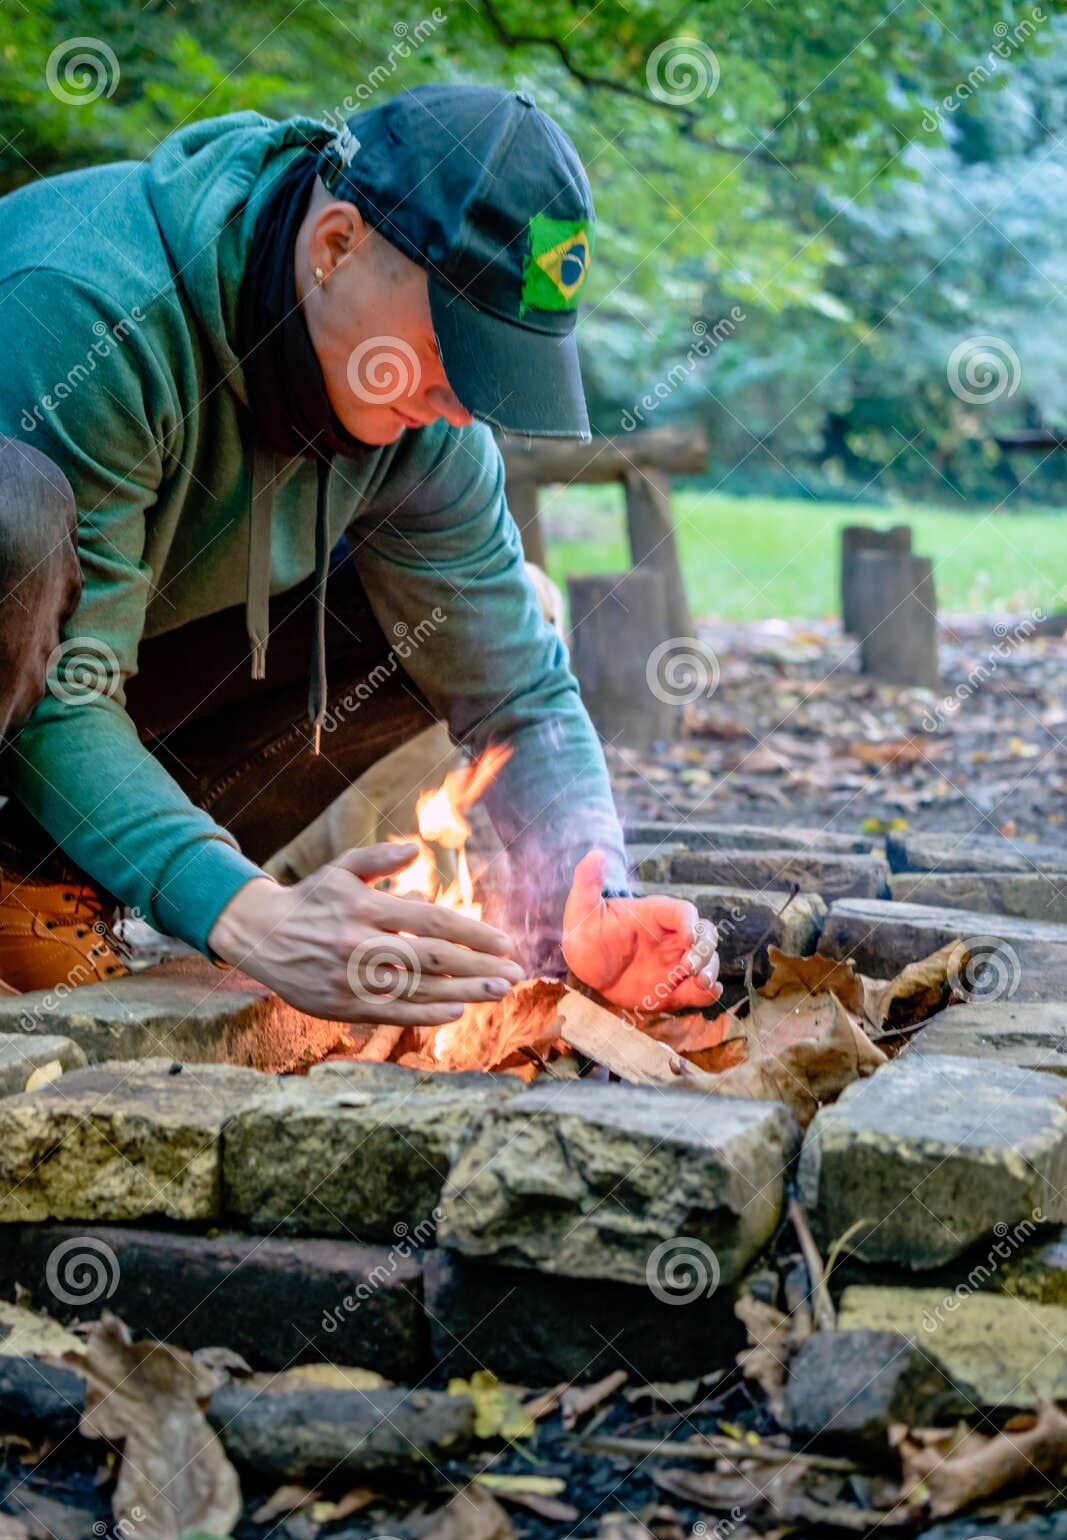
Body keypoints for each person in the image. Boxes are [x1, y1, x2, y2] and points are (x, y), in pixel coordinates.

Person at [0, 84, 719, 1023]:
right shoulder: (92, 307)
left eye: (491, 369)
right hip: (24, 632)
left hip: (74, 679)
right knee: (13, 517)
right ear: (335, 245)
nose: (464, 405)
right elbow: (63, 693)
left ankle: (34, 887)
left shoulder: (425, 430)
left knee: (479, 616)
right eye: (451, 349)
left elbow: (518, 696)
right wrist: (253, 919)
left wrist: (595, 889)